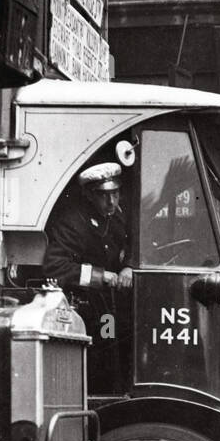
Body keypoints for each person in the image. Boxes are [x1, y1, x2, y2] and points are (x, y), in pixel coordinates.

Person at [43, 161, 132, 390]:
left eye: (115, 193)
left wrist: (128, 266)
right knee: (101, 358)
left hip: (109, 307)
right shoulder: (73, 222)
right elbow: (55, 266)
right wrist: (99, 276)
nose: (111, 201)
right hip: (86, 309)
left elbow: (134, 242)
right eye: (104, 196)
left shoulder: (118, 215)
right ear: (89, 195)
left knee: (114, 349)